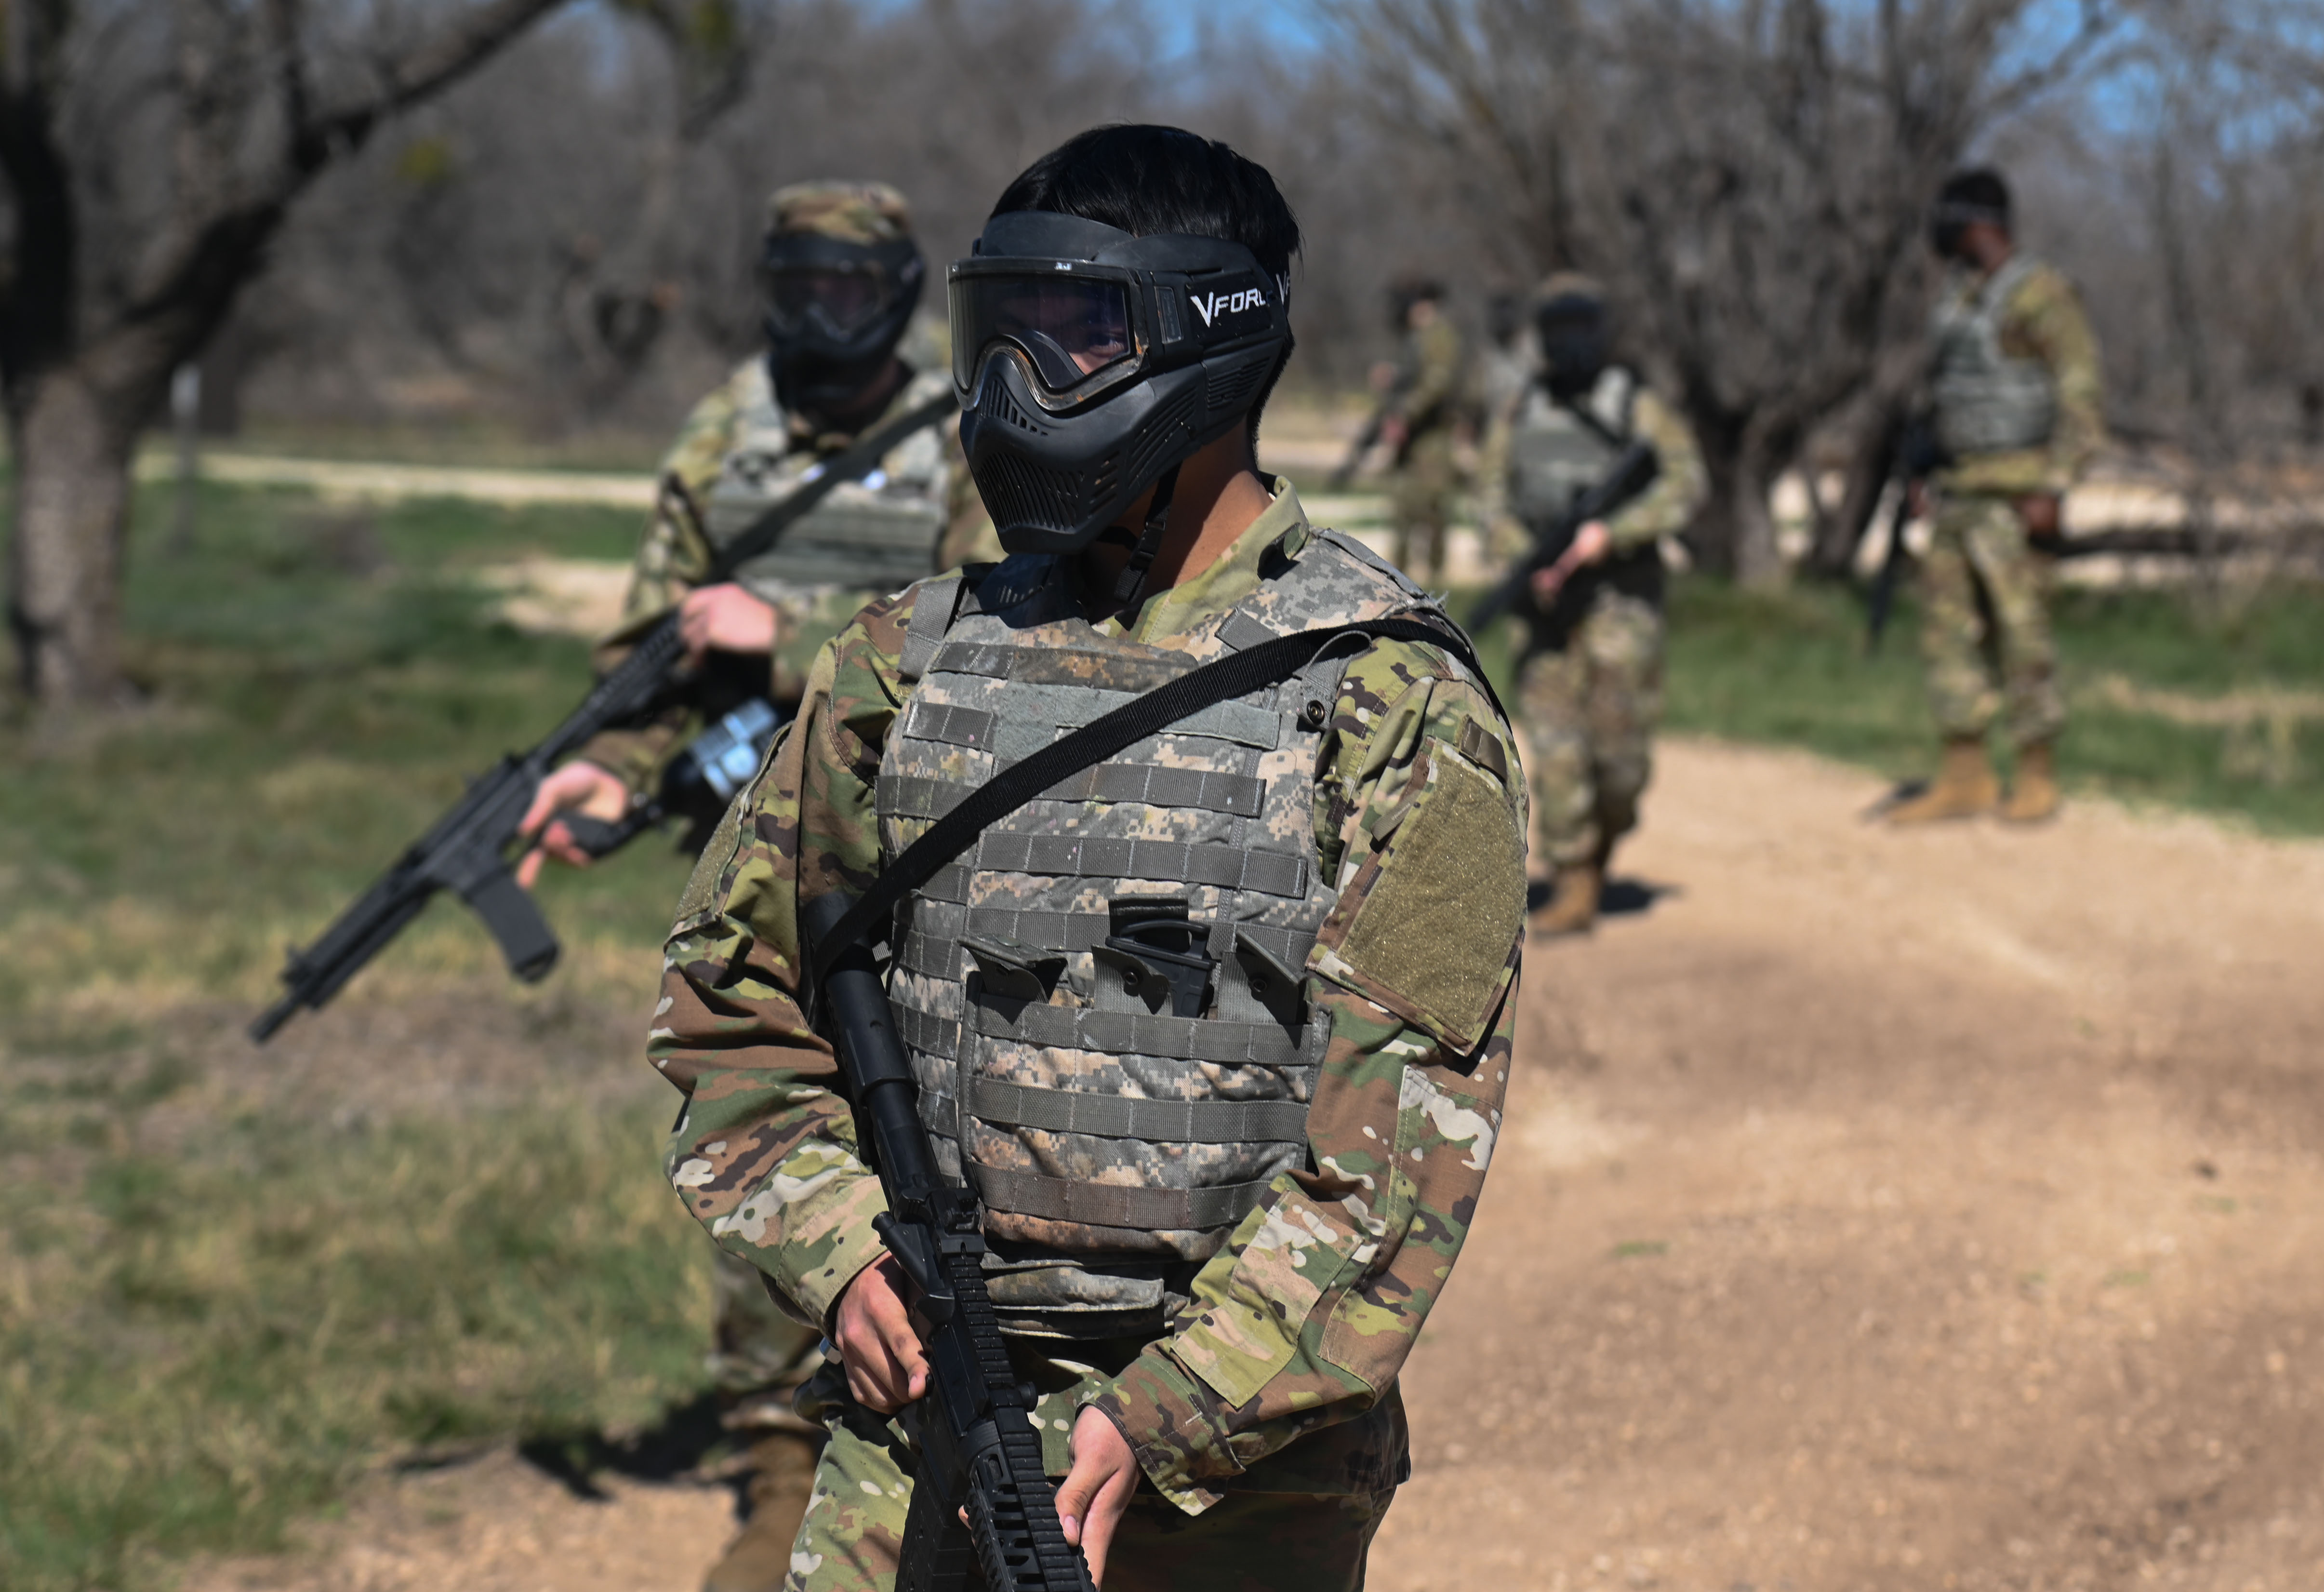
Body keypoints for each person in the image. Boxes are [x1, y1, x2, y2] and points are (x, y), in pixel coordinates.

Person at [646, 124, 1529, 1592]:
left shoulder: (1389, 701)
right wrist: (839, 1255)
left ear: (1207, 341)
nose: (1011, 391)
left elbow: (1397, 1165)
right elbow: (727, 993)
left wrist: (1169, 1416)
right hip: (915, 1419)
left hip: (1231, 1474)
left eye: (1070, 340)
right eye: (997, 339)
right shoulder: (903, 662)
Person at [514, 180, 988, 1592]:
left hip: (921, 838)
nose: (830, 316)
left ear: (899, 293)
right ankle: (784, 1463)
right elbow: (650, 658)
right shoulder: (722, 437)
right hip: (752, 852)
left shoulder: (960, 439)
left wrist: (777, 634)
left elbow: (995, 630)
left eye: (859, 289)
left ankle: (956, 1424)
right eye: (806, 288)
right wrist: (610, 763)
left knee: (933, 1126)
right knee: (764, 1123)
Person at [1885, 166, 2103, 826]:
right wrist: (1921, 475)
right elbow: (1944, 393)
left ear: (1982, 221)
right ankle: (1966, 773)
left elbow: (2081, 396)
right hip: (1958, 489)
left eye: (1951, 217)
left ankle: (2036, 774)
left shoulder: (2041, 294)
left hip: (2016, 492)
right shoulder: (1956, 298)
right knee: (1949, 636)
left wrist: (2056, 485)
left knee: (2022, 635)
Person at [1494, 273, 1705, 935]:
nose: (1569, 341)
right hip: (1547, 607)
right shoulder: (1520, 408)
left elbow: (1686, 482)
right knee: (1556, 747)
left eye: (1580, 324)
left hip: (1621, 602)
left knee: (1619, 755)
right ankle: (1574, 877)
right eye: (1557, 327)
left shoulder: (1635, 407)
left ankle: (1605, 837)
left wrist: (1609, 535)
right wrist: (1529, 559)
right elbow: (1490, 498)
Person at [1381, 277, 1467, 589]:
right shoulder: (1415, 338)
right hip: (1413, 442)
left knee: (1433, 511)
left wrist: (1405, 413)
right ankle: (1397, 583)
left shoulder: (1440, 334)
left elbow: (1438, 382)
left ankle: (1436, 583)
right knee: (1404, 510)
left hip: (1433, 439)